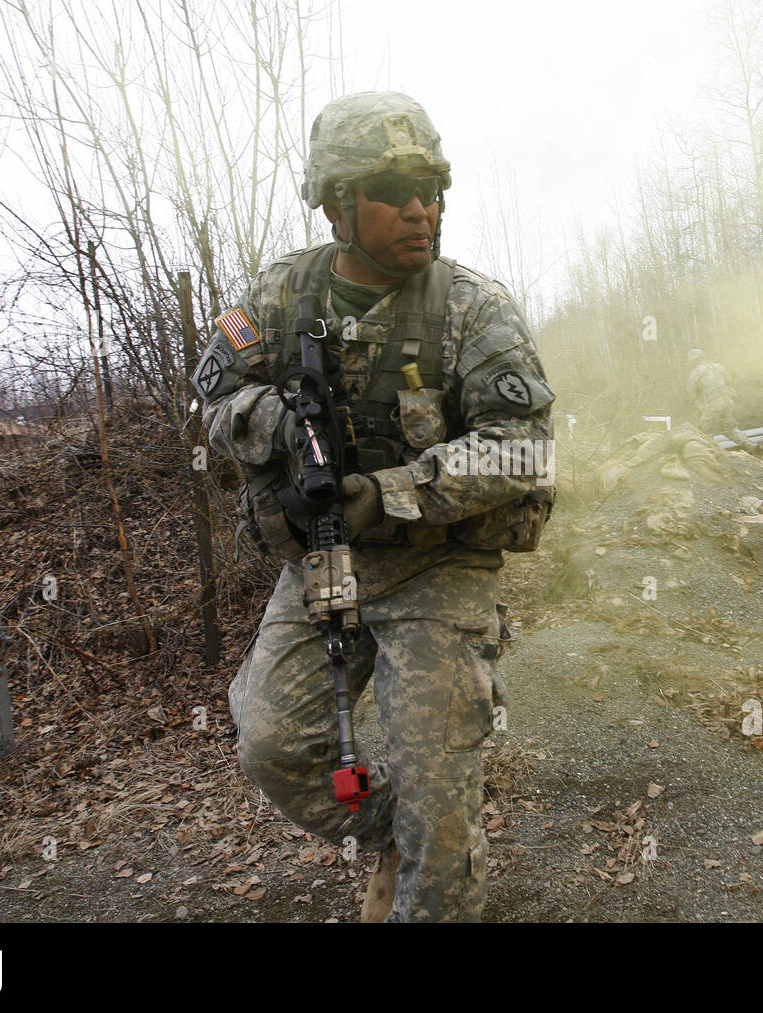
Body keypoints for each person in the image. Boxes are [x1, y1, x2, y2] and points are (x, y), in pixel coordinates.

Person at [191, 92, 555, 922]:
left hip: (437, 565)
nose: (422, 207)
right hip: (323, 559)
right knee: (275, 744)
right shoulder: (284, 293)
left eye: (432, 185)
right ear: (338, 204)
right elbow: (214, 400)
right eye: (396, 188)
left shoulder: (472, 307)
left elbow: (524, 444)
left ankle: (433, 845)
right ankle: (402, 829)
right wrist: (279, 425)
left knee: (441, 783)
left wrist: (389, 494)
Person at [685, 348, 754, 450]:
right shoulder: (718, 367)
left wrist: (701, 408)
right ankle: (749, 444)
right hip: (727, 402)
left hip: (711, 405)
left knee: (705, 433)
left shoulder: (695, 374)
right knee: (729, 428)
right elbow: (728, 382)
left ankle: (711, 454)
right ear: (703, 357)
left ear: (693, 361)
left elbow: (691, 394)